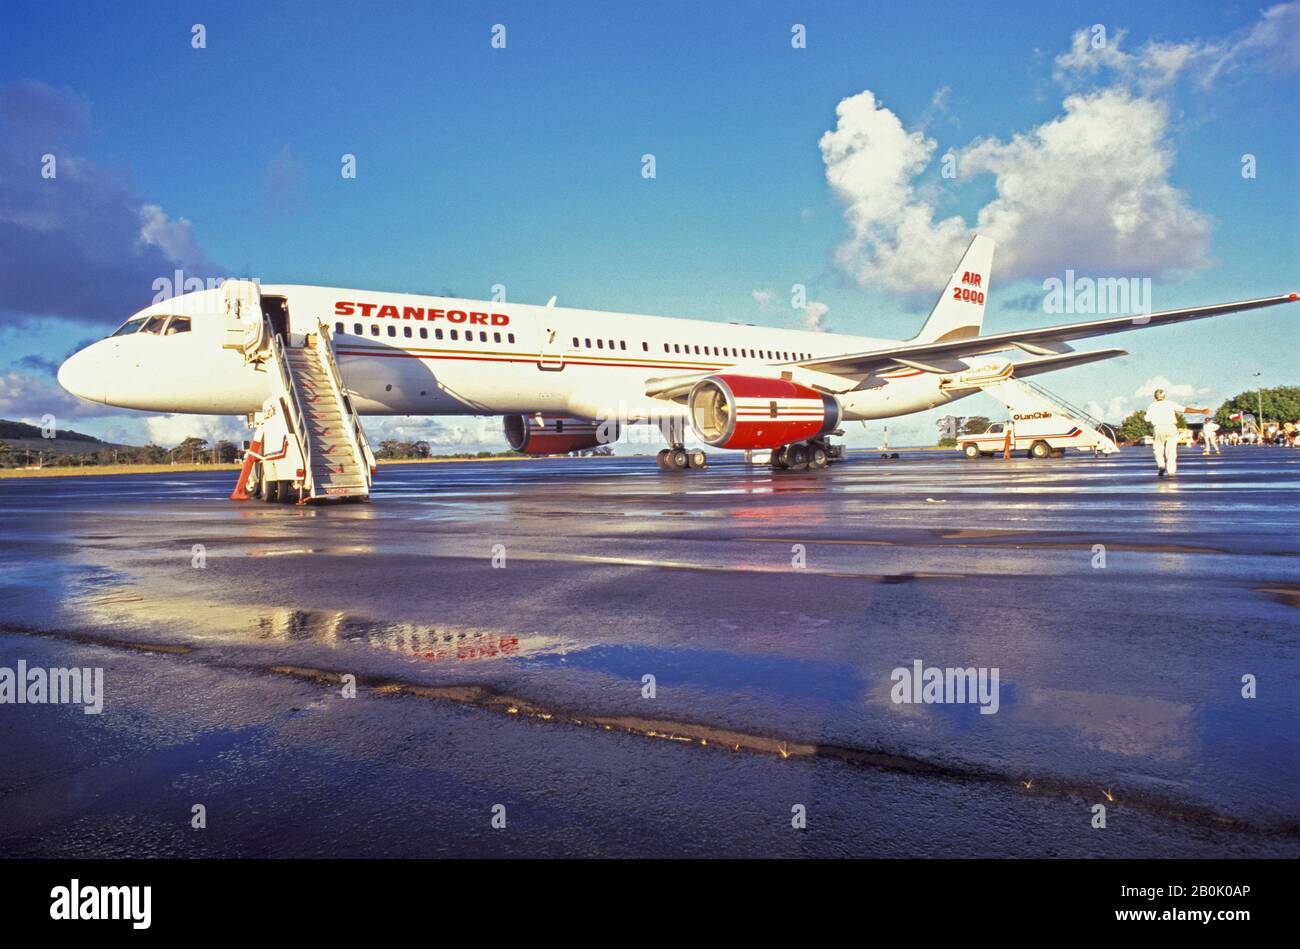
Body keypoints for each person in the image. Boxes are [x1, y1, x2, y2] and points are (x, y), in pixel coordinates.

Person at [1146, 388, 1211, 477]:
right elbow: (1184, 409)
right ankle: (1171, 471)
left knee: (1158, 448)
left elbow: (1147, 419)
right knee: (1171, 450)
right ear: (1164, 396)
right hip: (1171, 427)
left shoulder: (1151, 406)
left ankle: (1161, 465)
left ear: (1155, 397)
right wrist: (1201, 411)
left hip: (1158, 427)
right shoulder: (1170, 403)